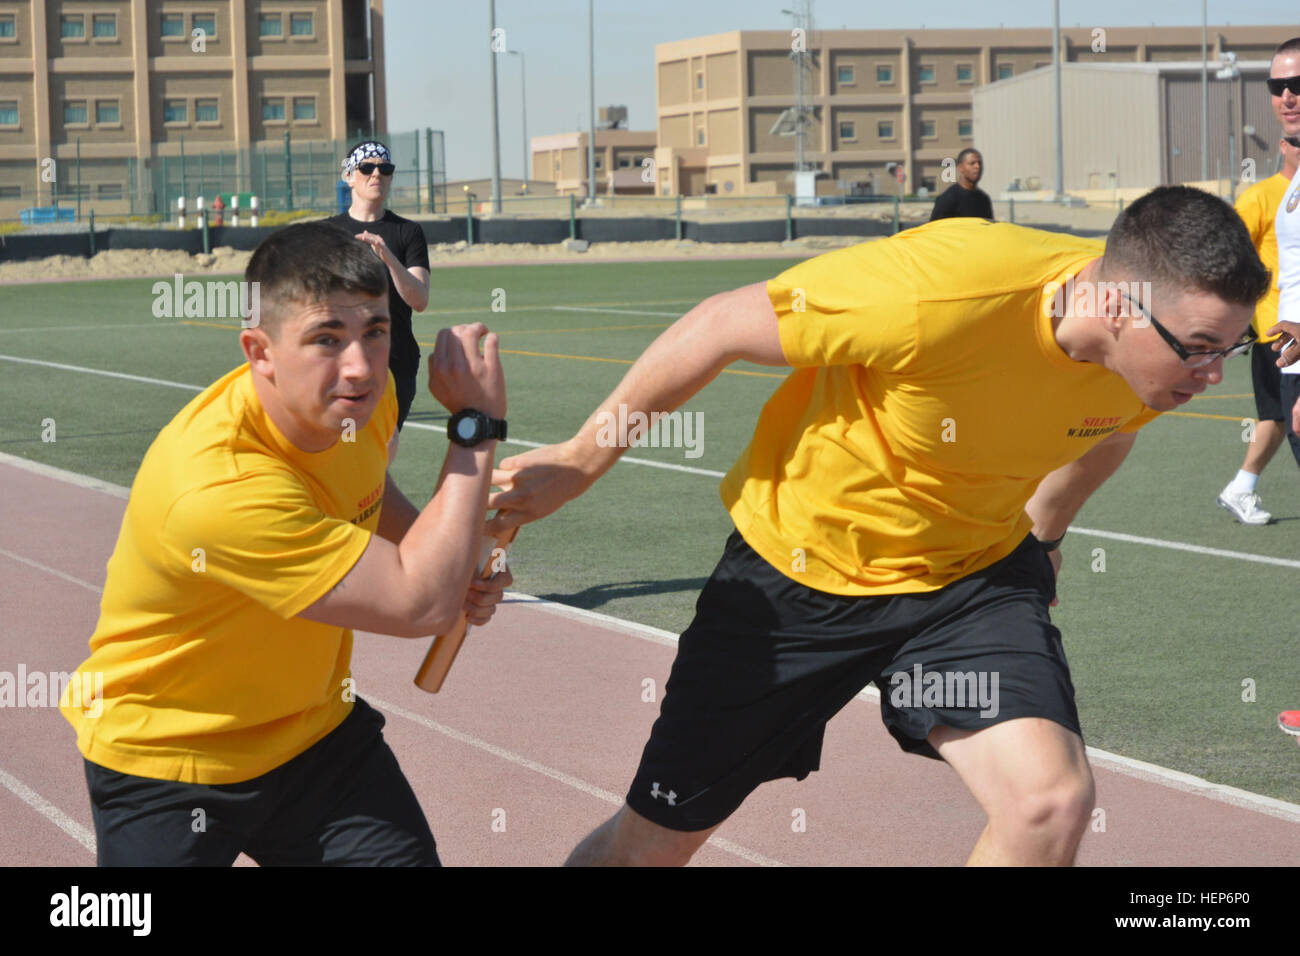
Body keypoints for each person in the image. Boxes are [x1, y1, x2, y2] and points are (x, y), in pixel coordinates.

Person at [486, 186, 1270, 866]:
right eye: (1199, 351)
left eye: (1230, 349)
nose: (1213, 376)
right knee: (649, 849)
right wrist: (584, 459)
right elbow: (720, 323)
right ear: (1112, 302)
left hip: (970, 583)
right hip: (797, 579)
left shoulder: (1148, 364)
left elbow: (1106, 430)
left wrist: (1048, 538)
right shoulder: (939, 291)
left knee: (1048, 803)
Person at [59, 222, 510, 866]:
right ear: (259, 351)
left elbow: (366, 492)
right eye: (326, 339)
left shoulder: (357, 404)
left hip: (315, 738)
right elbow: (421, 607)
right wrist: (476, 430)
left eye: (374, 331)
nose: (358, 366)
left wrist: (453, 554)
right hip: (171, 758)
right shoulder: (219, 486)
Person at [325, 140, 430, 436]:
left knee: (383, 451)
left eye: (385, 169)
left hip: (395, 363)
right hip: (343, 362)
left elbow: (420, 300)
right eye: (367, 168)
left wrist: (387, 257)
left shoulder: (407, 232)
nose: (376, 175)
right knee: (345, 448)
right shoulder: (327, 233)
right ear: (348, 176)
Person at [929, 148, 993, 221]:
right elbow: (935, 229)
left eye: (980, 163)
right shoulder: (948, 199)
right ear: (960, 167)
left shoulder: (984, 199)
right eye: (972, 163)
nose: (977, 167)